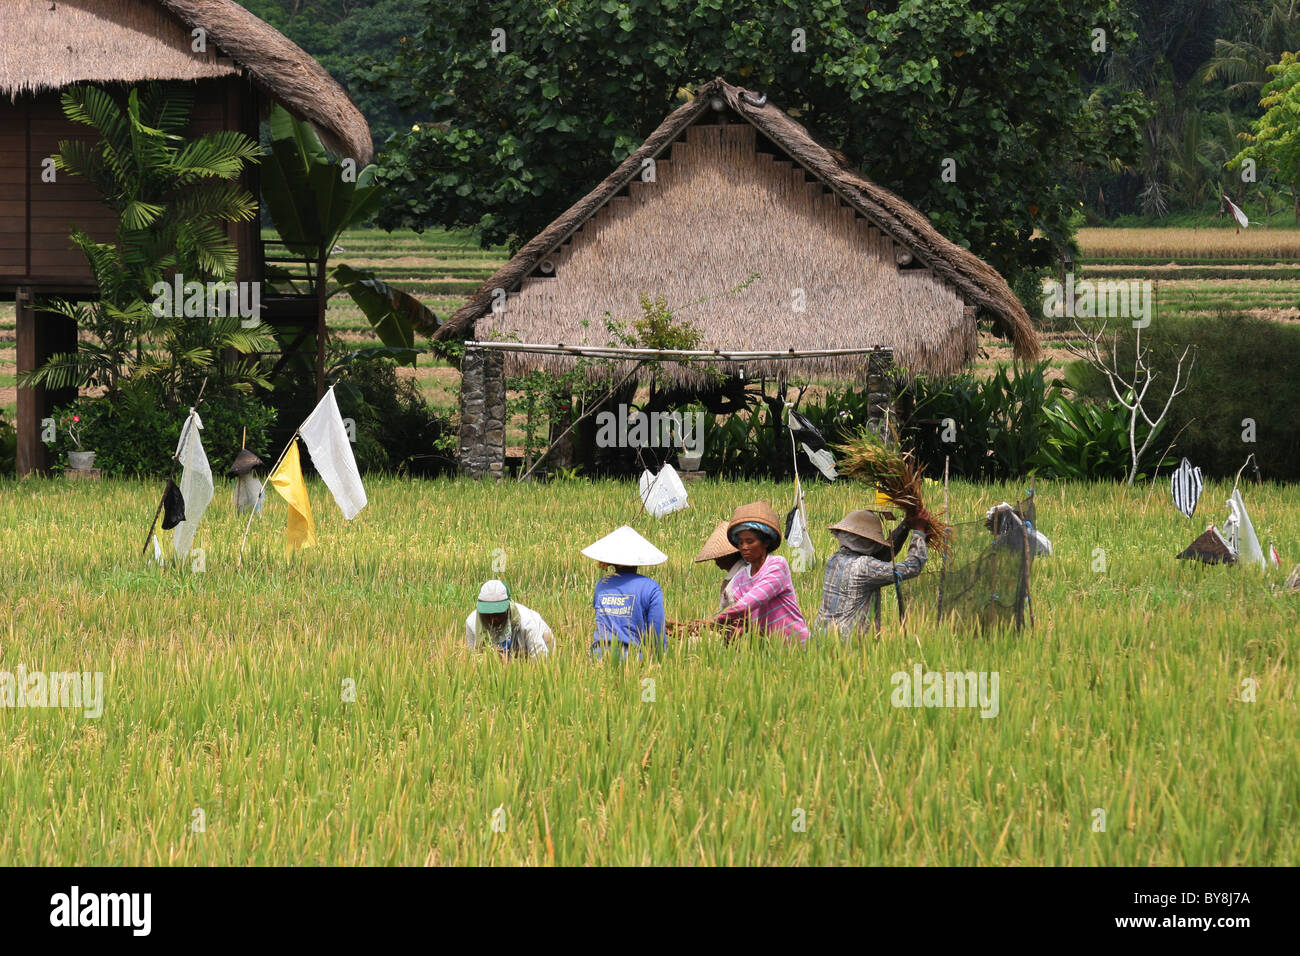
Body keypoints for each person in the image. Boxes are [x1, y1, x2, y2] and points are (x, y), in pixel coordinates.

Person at [704, 501, 809, 645]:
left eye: (749, 541)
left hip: (795, 643)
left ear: (765, 543)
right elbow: (743, 619)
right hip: (768, 647)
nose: (744, 547)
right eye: (740, 542)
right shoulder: (740, 578)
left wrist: (714, 621)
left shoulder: (777, 565)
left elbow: (749, 603)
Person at [812, 510, 927, 638]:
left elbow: (882, 556)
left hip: (821, 639)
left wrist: (905, 525)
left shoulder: (834, 560)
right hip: (849, 646)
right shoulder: (865, 567)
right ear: (868, 542)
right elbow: (912, 567)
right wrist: (919, 533)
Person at [581, 525, 667, 658]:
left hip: (599, 654)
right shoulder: (651, 587)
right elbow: (656, 631)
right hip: (631, 658)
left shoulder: (602, 585)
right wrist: (660, 659)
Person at [465, 579, 553, 658]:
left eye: (498, 614)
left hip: (542, 643)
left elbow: (541, 659)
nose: (493, 619)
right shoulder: (471, 623)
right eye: (488, 614)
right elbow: (475, 658)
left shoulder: (527, 623)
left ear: (508, 608)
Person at [693, 520, 745, 612]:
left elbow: (737, 611)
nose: (716, 561)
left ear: (730, 556)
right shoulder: (735, 575)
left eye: (719, 557)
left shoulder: (741, 576)